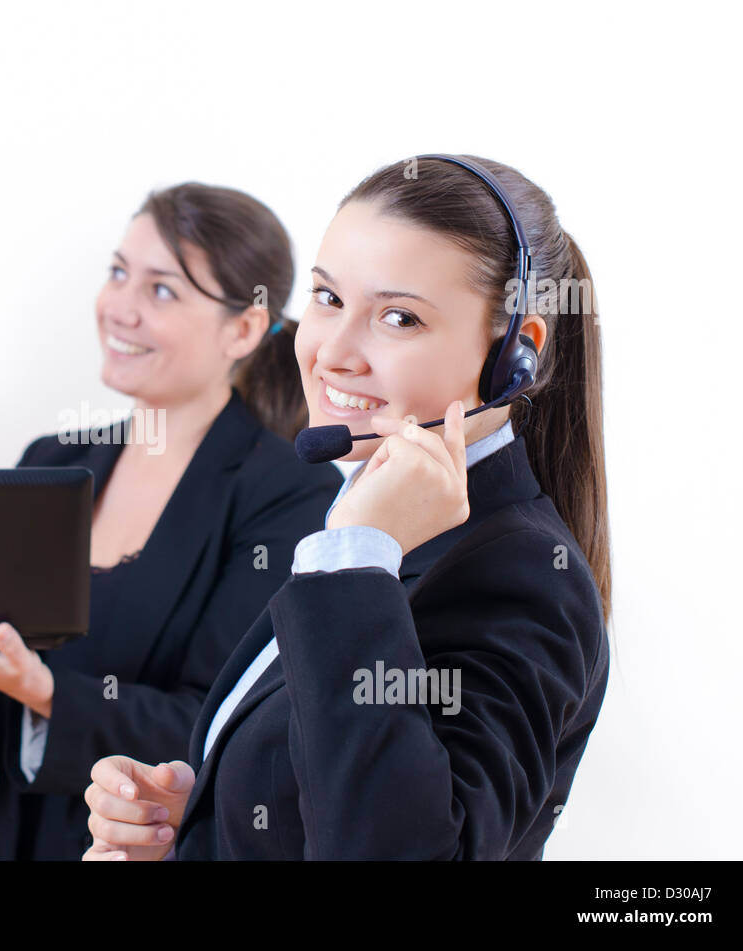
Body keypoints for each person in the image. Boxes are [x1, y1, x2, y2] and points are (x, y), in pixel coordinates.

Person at [82, 154, 612, 860]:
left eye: (397, 317)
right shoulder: (364, 523)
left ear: (514, 353)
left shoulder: (522, 574)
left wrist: (360, 556)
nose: (332, 352)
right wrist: (213, 821)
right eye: (328, 299)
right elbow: (341, 790)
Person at [0, 183, 344, 859]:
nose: (121, 307)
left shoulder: (287, 490)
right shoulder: (52, 462)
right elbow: (4, 705)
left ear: (243, 329)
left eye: (163, 290)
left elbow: (220, 725)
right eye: (119, 272)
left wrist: (46, 688)